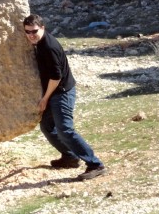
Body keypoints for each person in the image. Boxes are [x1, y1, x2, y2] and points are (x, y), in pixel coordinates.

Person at [23, 13, 107, 180]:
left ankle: (95, 164)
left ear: (43, 28)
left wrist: (45, 98)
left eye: (34, 31)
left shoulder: (49, 47)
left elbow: (56, 77)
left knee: (65, 130)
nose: (31, 35)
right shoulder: (39, 43)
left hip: (62, 92)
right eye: (27, 32)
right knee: (47, 126)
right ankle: (70, 157)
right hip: (55, 92)